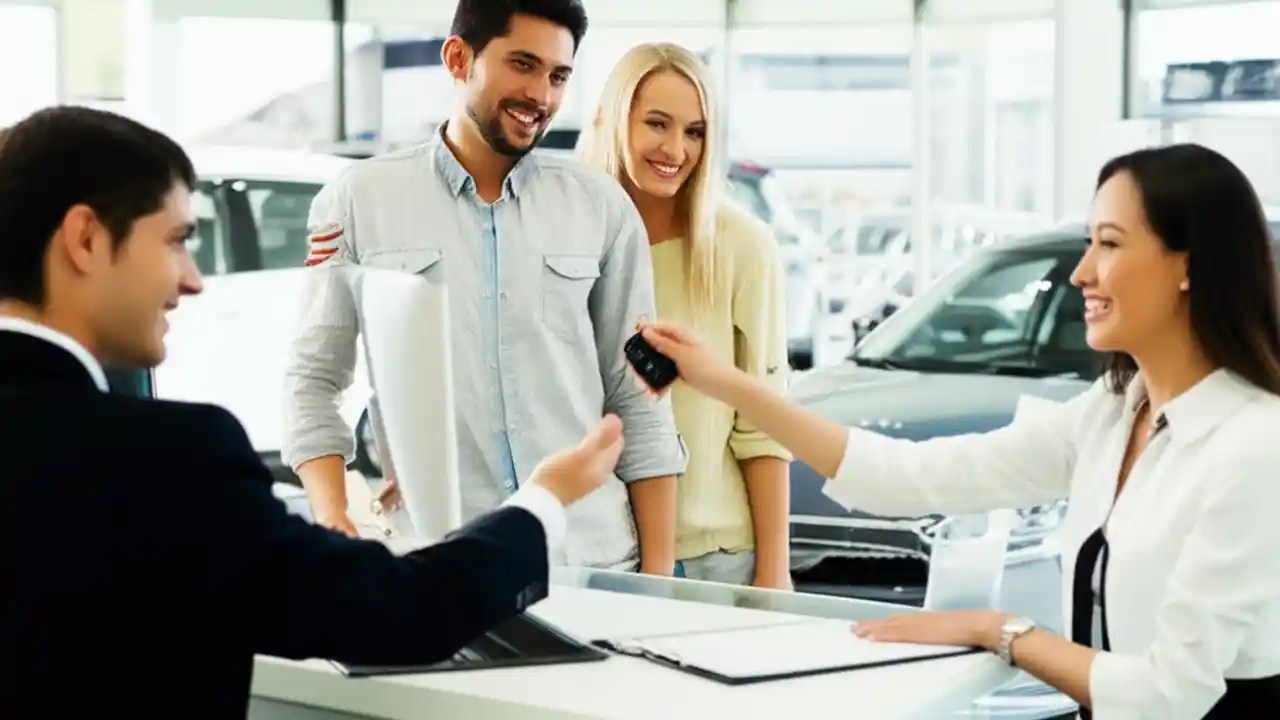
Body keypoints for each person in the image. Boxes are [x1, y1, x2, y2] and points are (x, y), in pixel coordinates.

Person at [0, 106, 624, 717]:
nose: (193, 279)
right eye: (176, 241)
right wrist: (544, 500)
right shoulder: (167, 460)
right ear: (85, 239)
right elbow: (405, 613)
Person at [635, 144, 1280, 717]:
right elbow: (908, 476)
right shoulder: (1113, 411)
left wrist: (1000, 631)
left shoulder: (1252, 446)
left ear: (1187, 267)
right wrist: (723, 380)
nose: (1080, 272)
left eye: (1108, 244)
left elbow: (1173, 695)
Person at [283, 0, 684, 574]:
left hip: (592, 562)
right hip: (439, 561)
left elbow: (639, 397)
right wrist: (333, 519)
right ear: (457, 57)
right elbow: (315, 381)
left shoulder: (600, 208)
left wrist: (659, 576)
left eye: (558, 75)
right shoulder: (358, 201)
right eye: (522, 64)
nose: (541, 95)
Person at [575, 44, 793, 589]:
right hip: (589, 550)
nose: (676, 148)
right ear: (612, 119)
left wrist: (774, 573)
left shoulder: (742, 246)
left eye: (695, 131)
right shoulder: (567, 244)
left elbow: (763, 425)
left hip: (712, 558)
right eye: (656, 124)